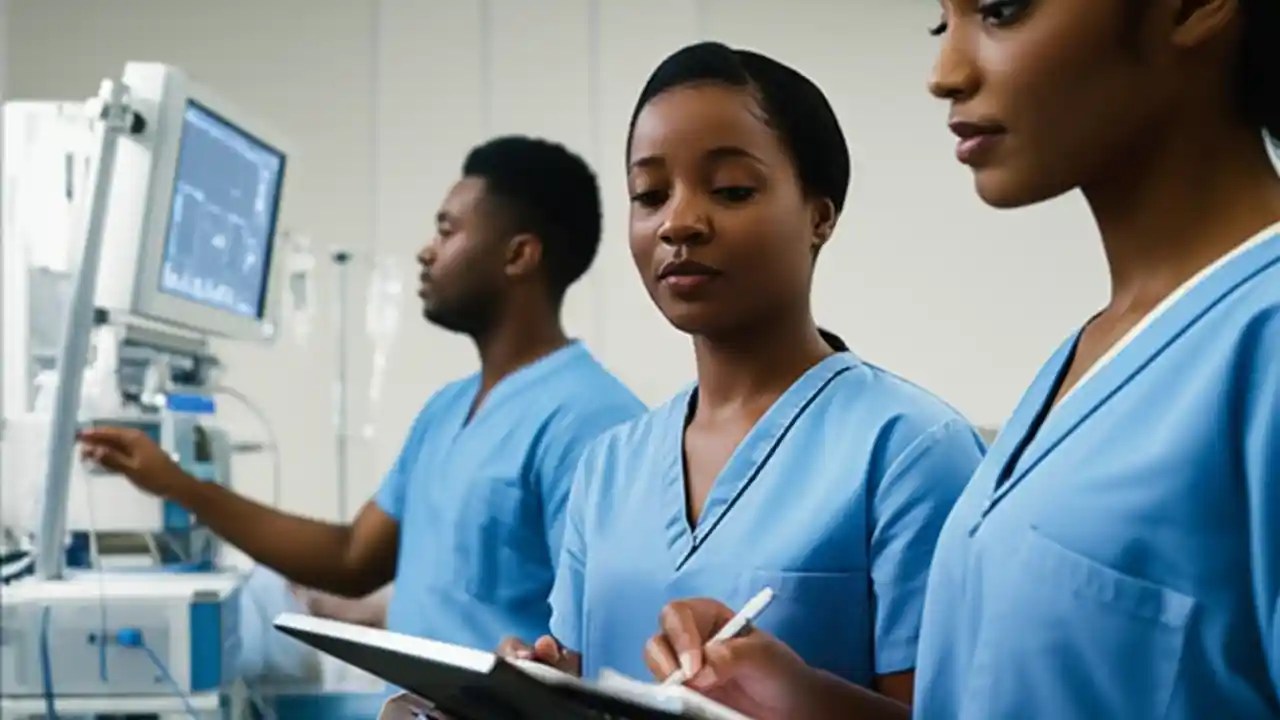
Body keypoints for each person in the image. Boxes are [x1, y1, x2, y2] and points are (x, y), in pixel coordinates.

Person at [644, 1, 1280, 718]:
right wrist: (800, 699)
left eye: (1003, 11)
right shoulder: (1091, 359)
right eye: (941, 24)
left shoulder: (1259, 344)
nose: (945, 74)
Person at [500, 42, 985, 709]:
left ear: (820, 215)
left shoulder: (912, 451)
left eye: (730, 190)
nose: (679, 223)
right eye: (650, 194)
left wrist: (801, 698)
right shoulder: (609, 468)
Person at [77, 135, 646, 653]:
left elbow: (605, 641)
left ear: (519, 255)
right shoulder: (447, 410)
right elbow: (352, 558)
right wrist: (176, 485)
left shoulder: (591, 423)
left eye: (447, 231)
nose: (427, 251)